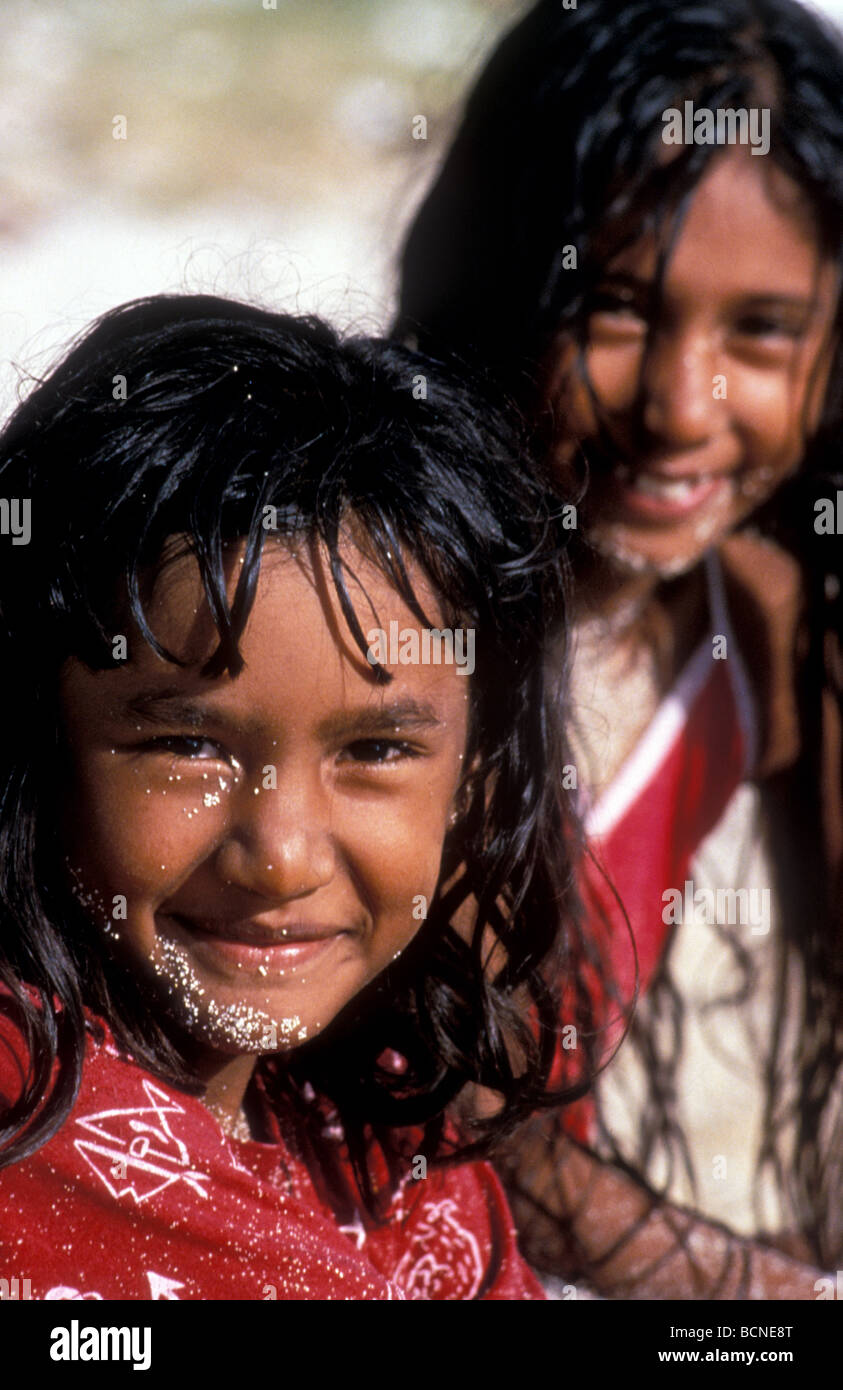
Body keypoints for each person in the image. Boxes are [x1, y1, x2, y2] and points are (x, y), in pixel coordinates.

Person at [0, 293, 584, 1300]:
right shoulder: (24, 1135)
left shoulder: (395, 1158)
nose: (280, 854)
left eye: (376, 749)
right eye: (188, 743)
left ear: (473, 782)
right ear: (36, 742)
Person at [397, 0, 843, 1296]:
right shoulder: (385, 604)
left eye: (759, 330)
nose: (675, 405)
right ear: (490, 280)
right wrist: (757, 1297)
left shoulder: (759, 629)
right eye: (609, 307)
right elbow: (446, 1107)